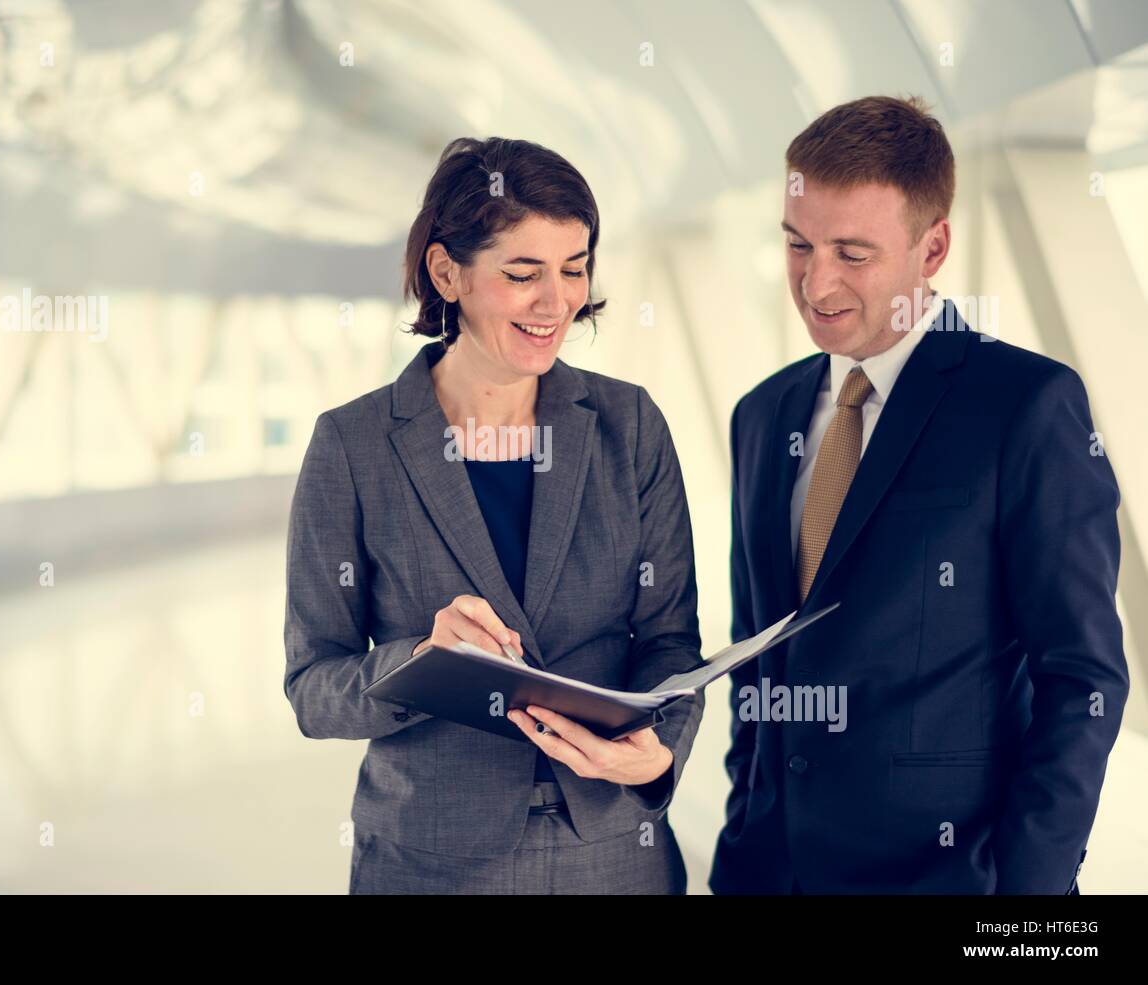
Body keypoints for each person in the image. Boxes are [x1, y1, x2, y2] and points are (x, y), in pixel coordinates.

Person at [711, 95, 1128, 894]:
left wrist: (1026, 896)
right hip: (767, 873)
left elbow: (1084, 677)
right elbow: (755, 658)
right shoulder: (761, 415)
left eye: (852, 252)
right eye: (797, 244)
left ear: (932, 246)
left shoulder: (1024, 404)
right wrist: (746, 816)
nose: (815, 280)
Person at [285, 136, 705, 894]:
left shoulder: (630, 424)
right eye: (522, 274)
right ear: (447, 272)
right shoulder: (351, 445)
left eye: (574, 269)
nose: (557, 303)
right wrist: (418, 661)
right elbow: (314, 688)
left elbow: (671, 639)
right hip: (430, 861)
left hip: (613, 853)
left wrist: (658, 749)